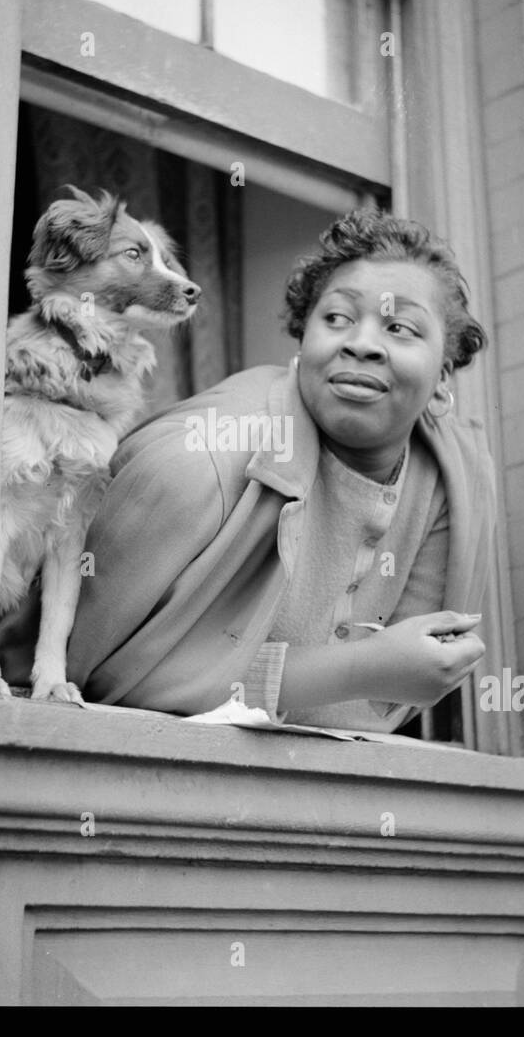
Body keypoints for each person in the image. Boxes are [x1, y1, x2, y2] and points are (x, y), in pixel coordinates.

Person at [59, 207, 498, 731]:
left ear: (444, 371)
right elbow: (96, 678)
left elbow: (379, 708)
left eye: (400, 327)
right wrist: (358, 669)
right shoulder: (195, 465)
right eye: (336, 318)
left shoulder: (453, 482)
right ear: (302, 341)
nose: (360, 342)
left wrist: (369, 677)